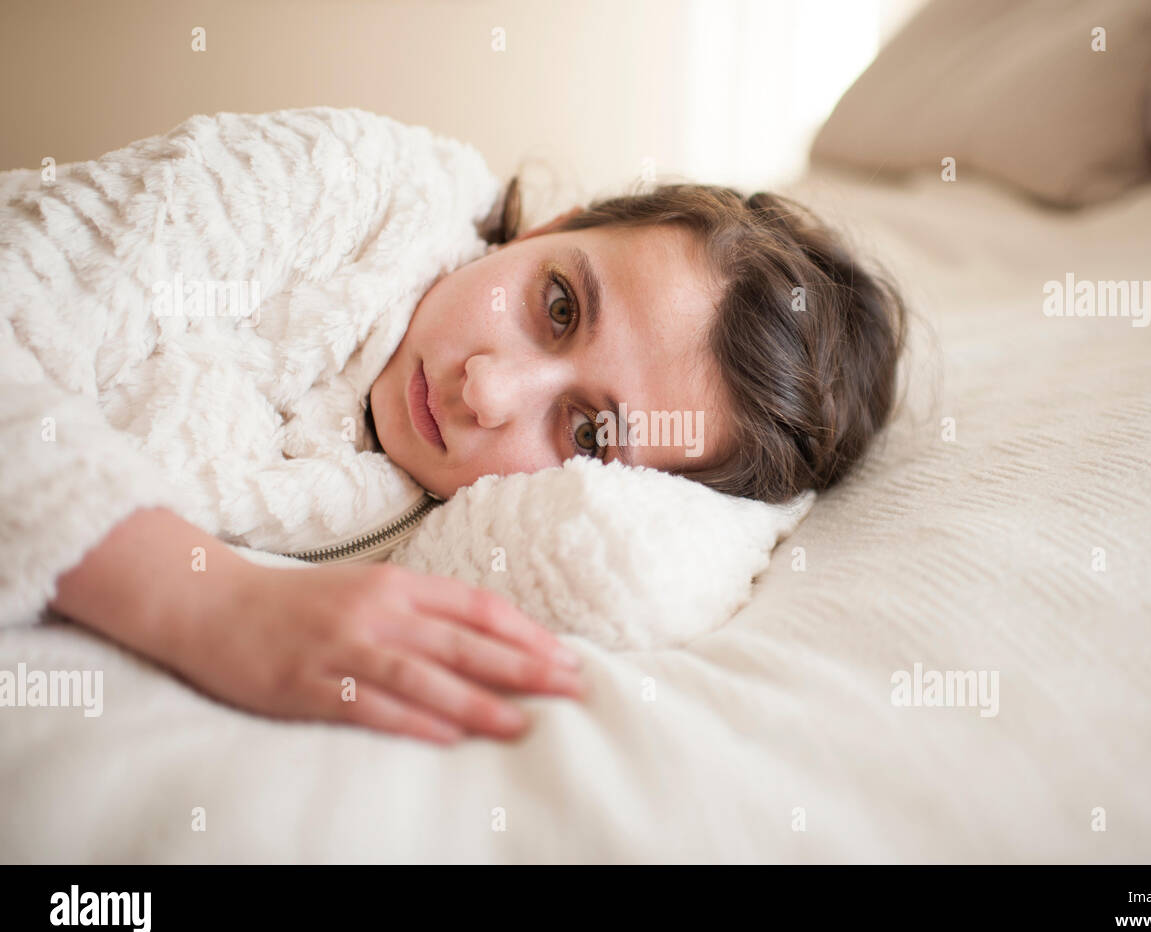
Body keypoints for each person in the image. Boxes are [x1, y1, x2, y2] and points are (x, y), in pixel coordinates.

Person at [1, 108, 908, 746]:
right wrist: (218, 608)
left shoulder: (458, 525)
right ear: (551, 225)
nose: (489, 386)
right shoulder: (342, 179)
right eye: (557, 304)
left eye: (588, 433)